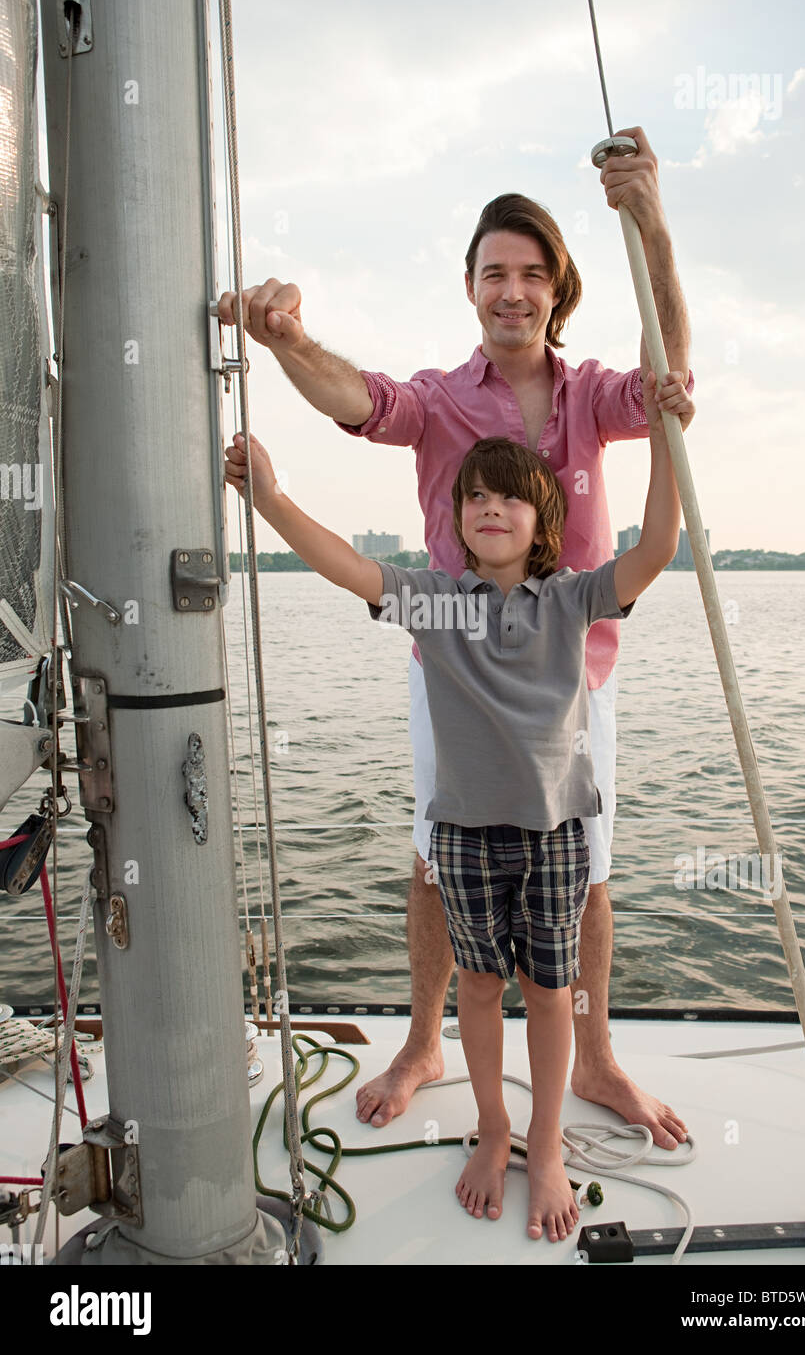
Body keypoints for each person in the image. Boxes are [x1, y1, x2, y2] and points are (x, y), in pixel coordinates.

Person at [218, 126, 695, 1149]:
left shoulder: (593, 392)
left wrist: (649, 224)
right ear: (470, 287)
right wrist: (289, 342)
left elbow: (669, 379)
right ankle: (426, 1040)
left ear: (556, 289)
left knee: (589, 873)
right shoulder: (437, 397)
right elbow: (361, 400)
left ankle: (596, 1058)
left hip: (578, 677)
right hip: (451, 672)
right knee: (436, 863)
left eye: (530, 274)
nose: (510, 290)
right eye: (493, 273)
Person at [224, 369, 692, 1241]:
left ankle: (545, 1146)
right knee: (479, 985)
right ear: (454, 521)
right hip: (466, 841)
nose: (490, 510)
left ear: (542, 524)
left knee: (550, 994)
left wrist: (666, 437)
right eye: (474, 498)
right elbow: (344, 564)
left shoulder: (572, 599)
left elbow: (659, 545)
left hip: (556, 839)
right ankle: (494, 1125)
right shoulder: (433, 603)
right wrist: (271, 496)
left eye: (511, 501)